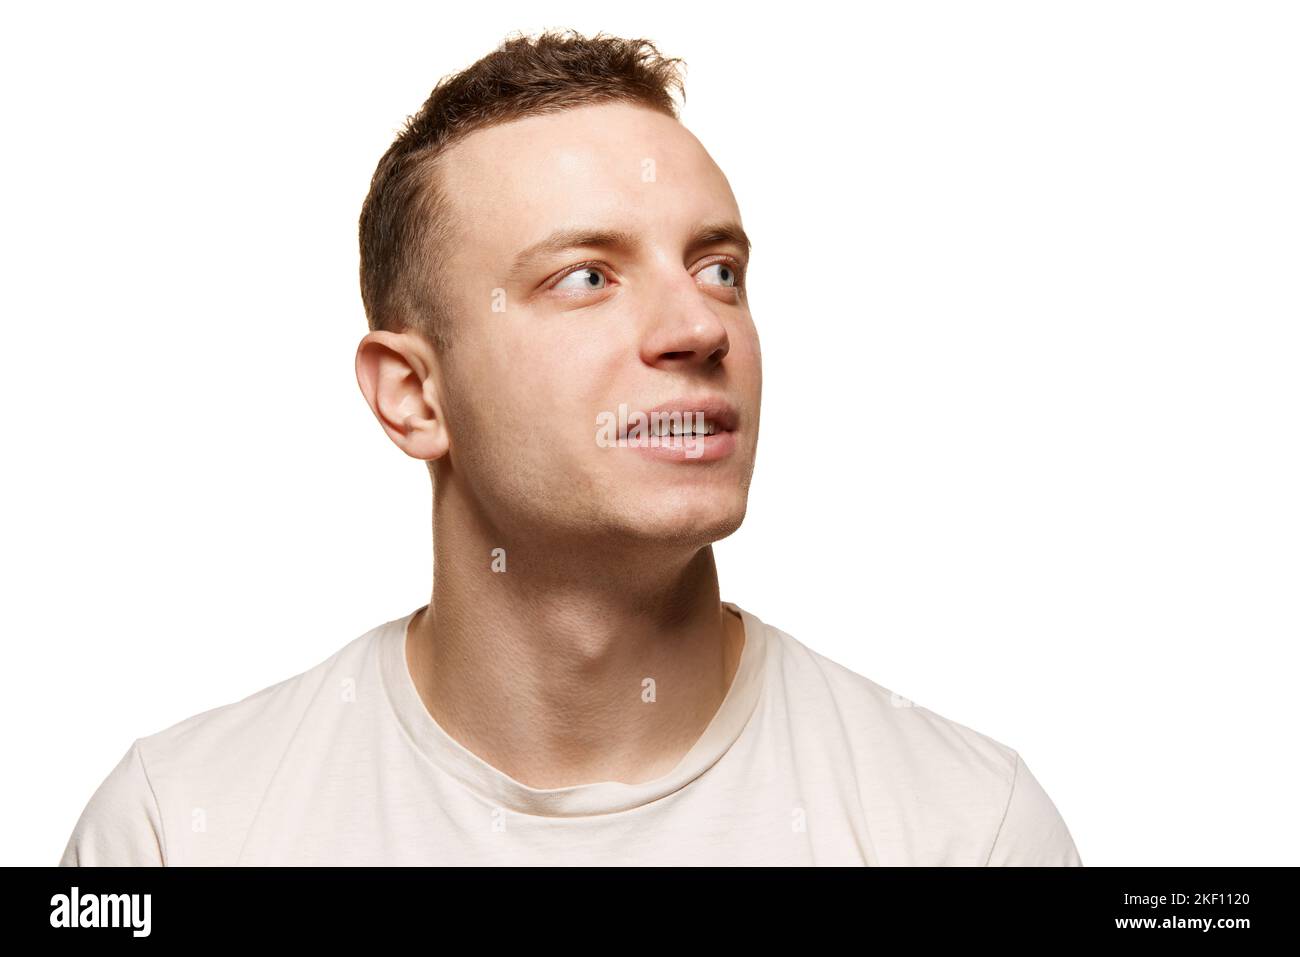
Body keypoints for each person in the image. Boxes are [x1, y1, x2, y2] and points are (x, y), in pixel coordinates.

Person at [59, 29, 1081, 866]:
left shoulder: (964, 831)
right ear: (415, 396)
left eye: (717, 267)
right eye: (587, 277)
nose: (698, 328)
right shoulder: (175, 833)